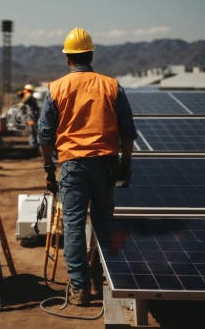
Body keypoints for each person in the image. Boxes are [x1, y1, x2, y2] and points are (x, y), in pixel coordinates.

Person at [37, 27, 136, 306]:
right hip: (105, 164)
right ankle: (102, 278)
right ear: (91, 55)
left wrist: (48, 168)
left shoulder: (56, 88)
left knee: (73, 225)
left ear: (67, 57)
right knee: (104, 223)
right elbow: (128, 132)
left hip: (72, 166)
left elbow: (45, 136)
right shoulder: (111, 86)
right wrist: (125, 163)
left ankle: (79, 289)